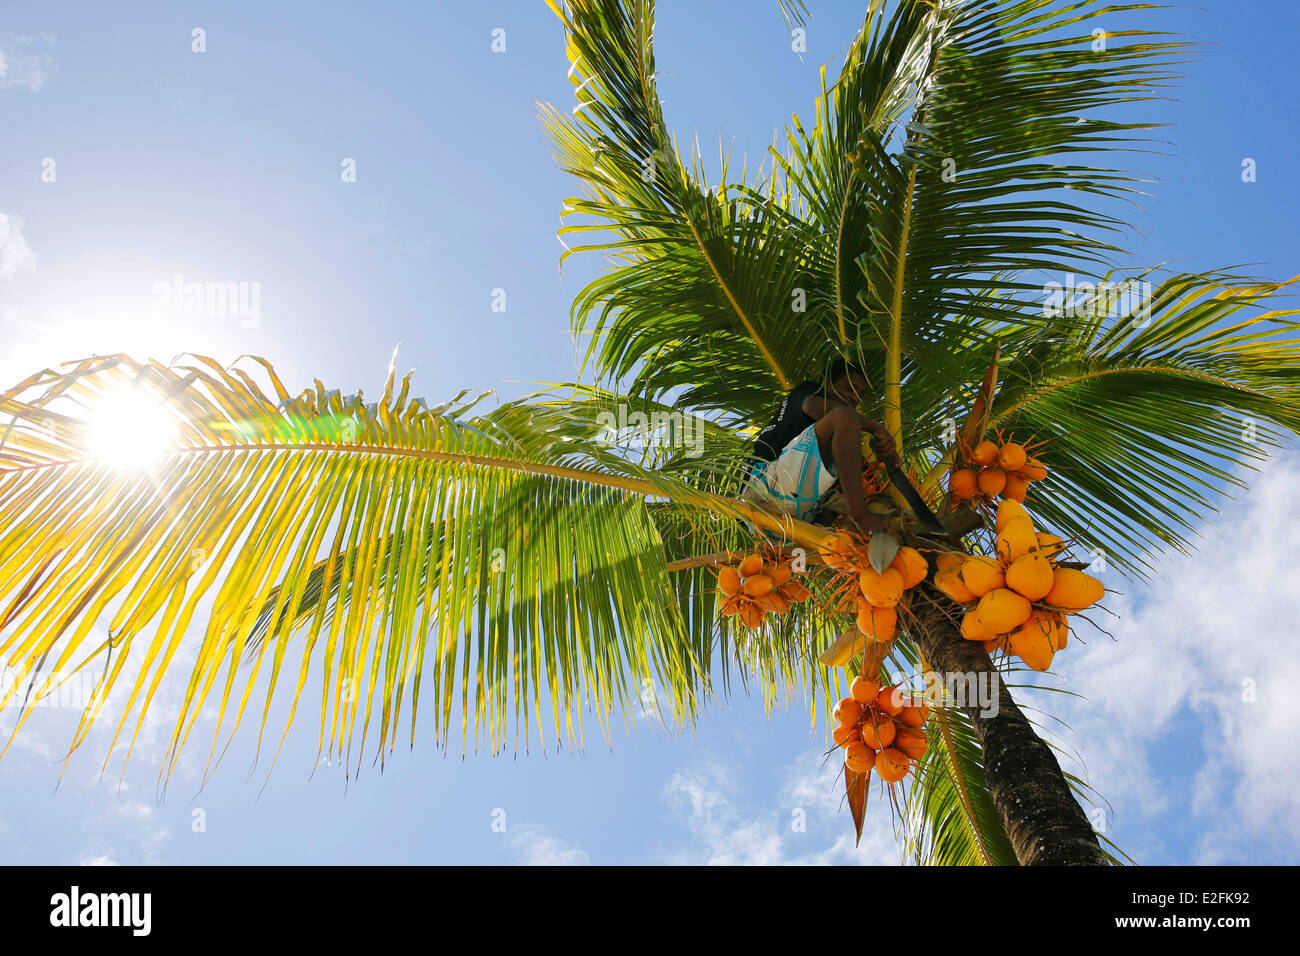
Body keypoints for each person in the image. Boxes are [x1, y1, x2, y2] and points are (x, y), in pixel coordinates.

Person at [742, 358, 899, 534]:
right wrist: (876, 428)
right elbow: (812, 406)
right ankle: (859, 518)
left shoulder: (828, 444)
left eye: (860, 394)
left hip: (780, 528)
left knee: (856, 483)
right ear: (827, 383)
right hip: (764, 487)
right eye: (850, 388)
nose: (856, 397)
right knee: (844, 416)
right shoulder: (810, 391)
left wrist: (884, 460)